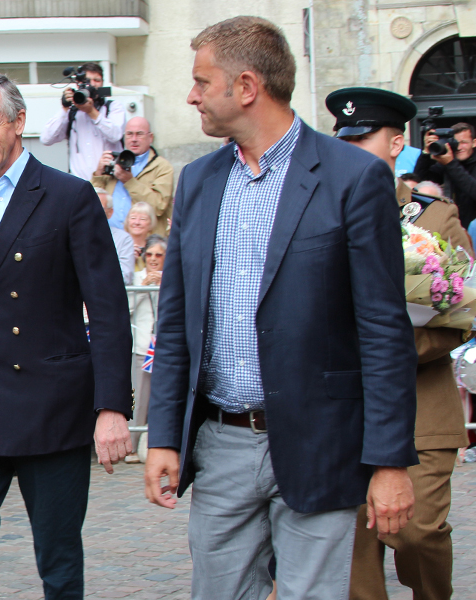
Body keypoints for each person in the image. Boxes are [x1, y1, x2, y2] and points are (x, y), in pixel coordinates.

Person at [144, 17, 418, 599]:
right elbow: (176, 324)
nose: (191, 95)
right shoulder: (198, 181)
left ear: (246, 87)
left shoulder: (353, 177)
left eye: (200, 81)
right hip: (222, 443)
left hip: (323, 442)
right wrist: (165, 437)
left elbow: (383, 330)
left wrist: (390, 462)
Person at [0, 72, 133, 600]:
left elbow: (109, 309)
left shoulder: (68, 196)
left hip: (53, 404)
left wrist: (111, 406)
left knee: (58, 556)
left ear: (19, 122)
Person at [326, 86, 470, 600]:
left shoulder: (434, 220)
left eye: (365, 139)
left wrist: (389, 350)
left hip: (419, 407)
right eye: (345, 139)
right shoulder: (322, 217)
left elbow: (462, 315)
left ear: (394, 144)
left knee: (415, 531)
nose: (351, 148)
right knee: (356, 551)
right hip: (346, 410)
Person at [39, 62, 128, 182]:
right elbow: (46, 138)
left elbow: (115, 135)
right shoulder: (72, 112)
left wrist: (91, 112)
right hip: (79, 183)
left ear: (102, 83)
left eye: (97, 80)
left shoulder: (113, 106)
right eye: (88, 80)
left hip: (109, 182)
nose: (92, 84)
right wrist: (64, 108)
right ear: (79, 83)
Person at [91, 117, 174, 234]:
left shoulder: (162, 166)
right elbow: (90, 204)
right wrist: (98, 174)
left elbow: (158, 206)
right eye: (130, 134)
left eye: (139, 134)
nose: (134, 139)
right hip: (110, 238)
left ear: (150, 137)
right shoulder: (114, 162)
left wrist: (129, 182)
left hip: (144, 244)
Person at [126, 235, 164, 463]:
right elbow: (127, 308)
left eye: (159, 255)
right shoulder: (137, 277)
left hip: (164, 347)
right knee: (138, 398)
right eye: (149, 254)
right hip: (142, 346)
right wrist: (143, 287)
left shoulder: (171, 277)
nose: (153, 259)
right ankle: (131, 446)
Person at [415, 121, 476, 228]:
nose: (459, 147)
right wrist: (425, 153)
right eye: (456, 142)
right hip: (452, 228)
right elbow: (421, 181)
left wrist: (451, 164)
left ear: (474, 143)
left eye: (464, 142)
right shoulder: (447, 163)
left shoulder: (450, 163)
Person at [96, 187, 136, 285]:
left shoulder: (123, 239)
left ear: (110, 212)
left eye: (99, 207)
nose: (93, 211)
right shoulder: (71, 235)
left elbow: (125, 276)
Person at [124, 202, 156, 272]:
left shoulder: (156, 247)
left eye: (143, 219)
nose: (137, 222)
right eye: (133, 218)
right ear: (127, 221)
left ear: (151, 223)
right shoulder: (118, 245)